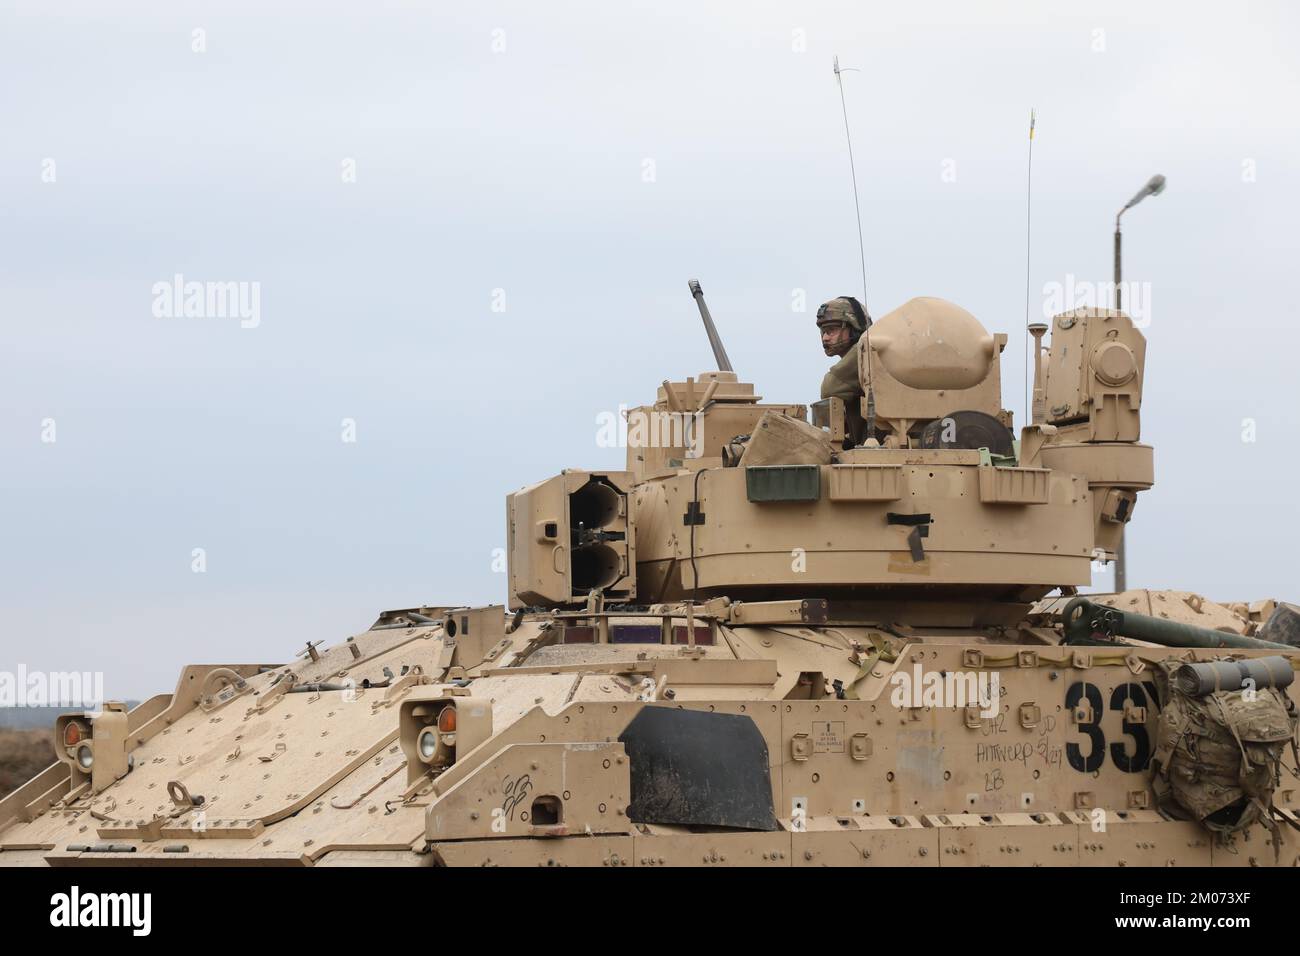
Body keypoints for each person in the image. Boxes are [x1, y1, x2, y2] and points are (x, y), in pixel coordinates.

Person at [816, 296, 871, 444]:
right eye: (823, 331)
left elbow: (829, 388)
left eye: (831, 330)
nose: (825, 338)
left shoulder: (866, 348)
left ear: (854, 328)